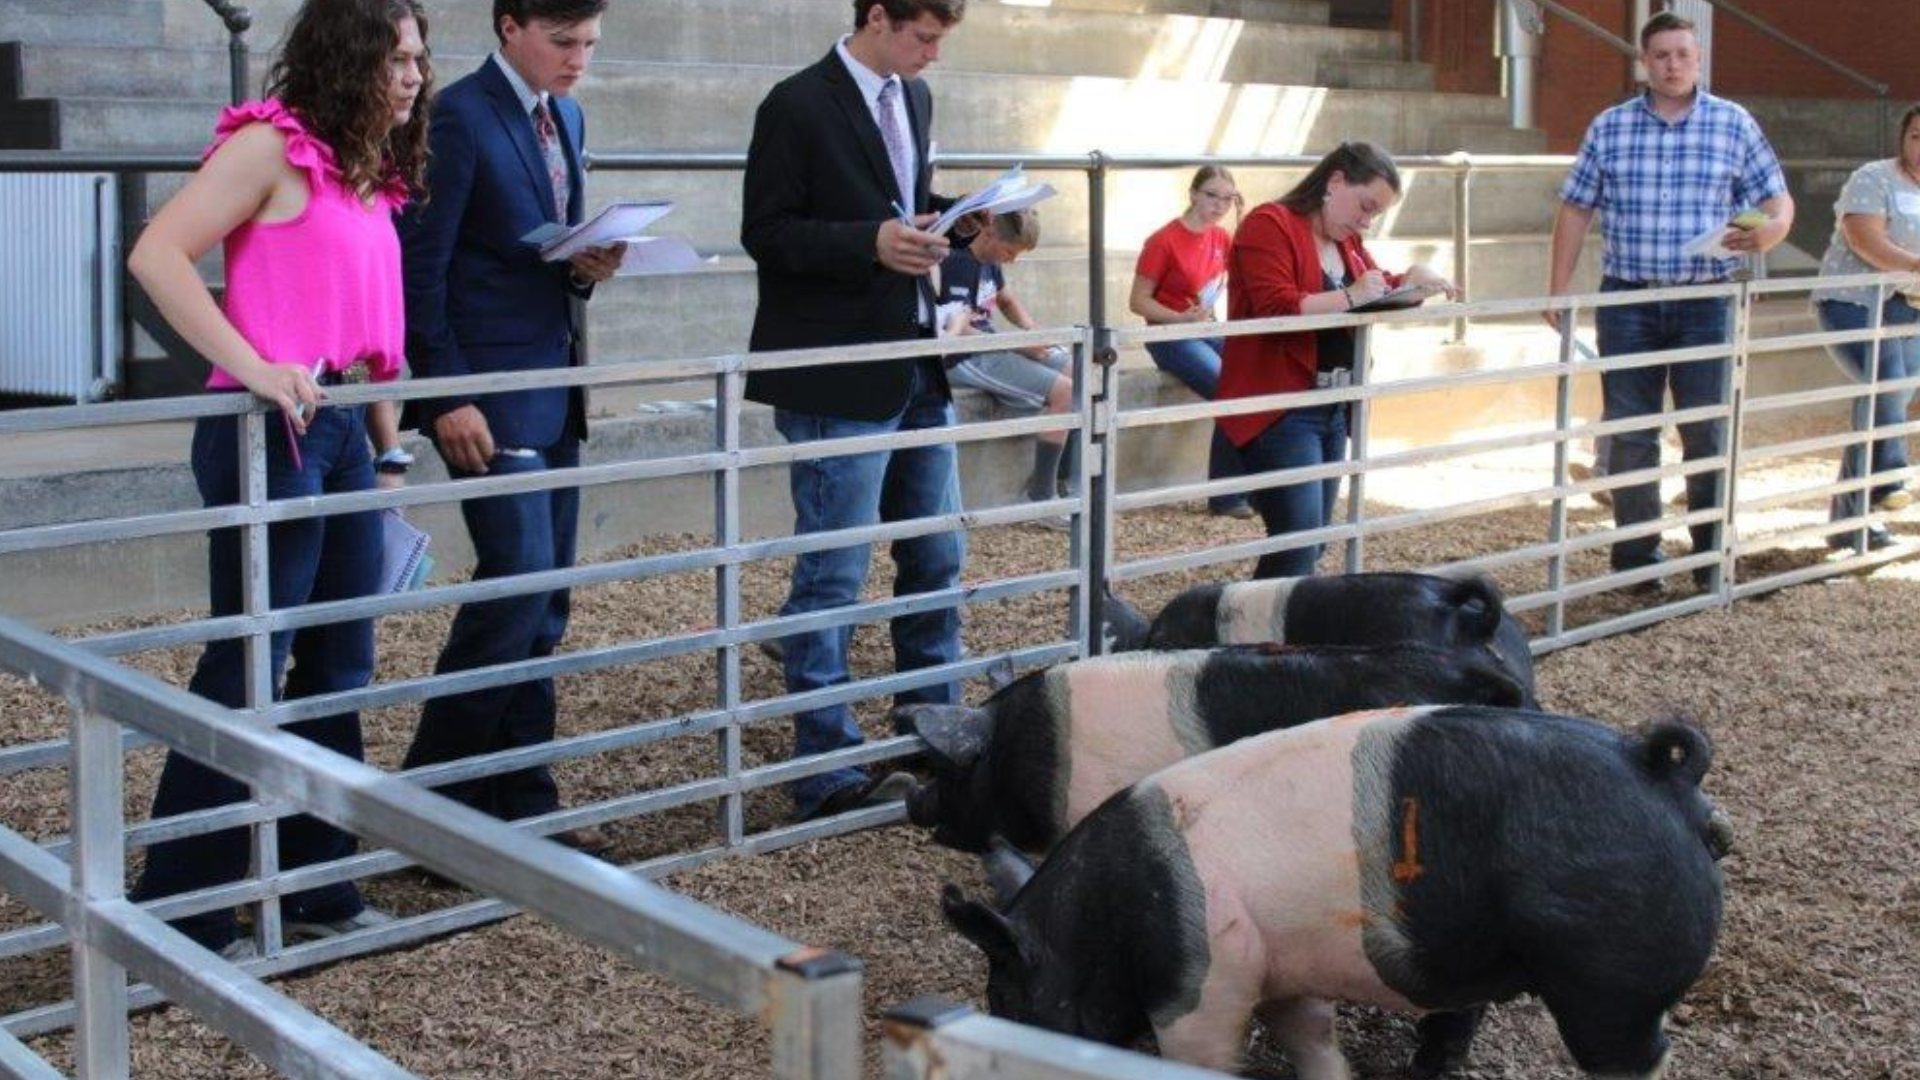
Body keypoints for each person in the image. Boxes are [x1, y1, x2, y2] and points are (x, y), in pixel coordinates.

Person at [123, 0, 429, 958]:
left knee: (341, 660)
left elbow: (373, 344)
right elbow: (156, 254)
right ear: (349, 59)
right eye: (397, 58)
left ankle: (314, 882)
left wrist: (386, 453)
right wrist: (252, 366)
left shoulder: (368, 171)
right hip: (267, 430)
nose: (415, 76)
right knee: (248, 660)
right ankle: (184, 901)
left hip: (338, 428)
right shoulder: (271, 147)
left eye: (421, 58)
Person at [741, 0, 973, 822]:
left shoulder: (912, 97)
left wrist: (953, 217)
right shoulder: (796, 103)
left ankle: (933, 730)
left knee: (938, 553)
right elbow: (766, 233)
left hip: (913, 356)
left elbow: (898, 197)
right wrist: (869, 241)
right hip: (836, 370)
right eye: (924, 37)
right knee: (834, 570)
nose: (933, 55)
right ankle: (826, 764)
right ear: (877, 16)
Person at [397, 0, 622, 845]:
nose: (578, 60)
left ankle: (523, 803)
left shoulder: (565, 113)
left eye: (590, 44)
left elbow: (532, 254)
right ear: (510, 26)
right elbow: (423, 266)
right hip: (484, 393)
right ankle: (433, 803)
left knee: (544, 600)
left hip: (553, 382)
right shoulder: (455, 116)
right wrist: (446, 393)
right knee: (516, 588)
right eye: (563, 43)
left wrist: (588, 265)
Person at [1547, 11, 1793, 592]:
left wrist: (1770, 233)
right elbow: (1576, 206)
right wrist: (1558, 286)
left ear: (1698, 58)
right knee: (1631, 431)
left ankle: (1711, 554)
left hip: (1706, 299)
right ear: (1644, 61)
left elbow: (1777, 200)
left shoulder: (1733, 124)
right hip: (1628, 299)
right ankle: (1637, 560)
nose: (1673, 65)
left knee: (1706, 428)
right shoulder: (1609, 126)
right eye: (1661, 55)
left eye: (1683, 54)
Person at [1215, 141, 1457, 579]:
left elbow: (1374, 289)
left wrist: (1415, 281)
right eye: (1365, 207)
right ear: (1336, 181)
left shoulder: (1346, 242)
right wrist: (1352, 295)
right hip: (1281, 406)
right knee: (1300, 535)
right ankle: (1260, 632)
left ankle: (1269, 629)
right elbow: (1276, 307)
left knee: (1312, 537)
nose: (1365, 220)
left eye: (1374, 214)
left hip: (1333, 403)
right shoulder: (1269, 223)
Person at [1809, 103, 1920, 553]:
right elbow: (1865, 239)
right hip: (1852, 299)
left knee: (1885, 401)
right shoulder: (1874, 178)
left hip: (1907, 304)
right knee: (1886, 383)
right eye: (1916, 135)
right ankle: (1890, 474)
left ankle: (1849, 522)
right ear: (1902, 139)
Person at [938, 207, 1077, 528]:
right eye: (1010, 251)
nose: (1011, 260)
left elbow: (1007, 301)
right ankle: (1041, 500)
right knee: (1066, 393)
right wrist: (1018, 344)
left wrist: (1033, 333)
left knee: (1076, 369)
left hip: (992, 346)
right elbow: (957, 328)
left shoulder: (992, 263)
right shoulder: (958, 264)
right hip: (966, 355)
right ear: (988, 234)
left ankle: (1062, 481)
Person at [1130, 166, 1254, 519]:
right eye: (1212, 195)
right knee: (1230, 390)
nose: (1219, 205)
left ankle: (1258, 485)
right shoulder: (1164, 240)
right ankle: (1227, 495)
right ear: (1194, 194)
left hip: (1207, 328)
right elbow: (1138, 302)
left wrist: (1243, 217)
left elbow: (1246, 264)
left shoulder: (1220, 237)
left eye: (1228, 199)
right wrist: (1180, 319)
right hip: (1170, 333)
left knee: (1260, 375)